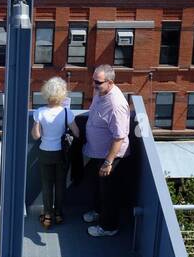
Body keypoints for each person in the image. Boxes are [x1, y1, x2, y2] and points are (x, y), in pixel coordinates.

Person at [83, 65, 130, 237]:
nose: (93, 84)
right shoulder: (100, 92)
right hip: (97, 153)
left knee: (109, 193)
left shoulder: (116, 105)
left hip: (111, 157)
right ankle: (97, 211)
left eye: (98, 82)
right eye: (93, 80)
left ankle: (108, 227)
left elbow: (119, 137)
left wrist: (108, 162)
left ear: (110, 83)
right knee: (98, 188)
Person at [31, 77, 78, 228]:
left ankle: (47, 217)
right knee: (60, 184)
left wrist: (37, 123)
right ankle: (58, 214)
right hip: (61, 153)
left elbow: (36, 135)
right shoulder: (66, 112)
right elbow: (77, 133)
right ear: (62, 94)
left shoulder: (39, 112)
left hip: (45, 152)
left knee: (46, 185)